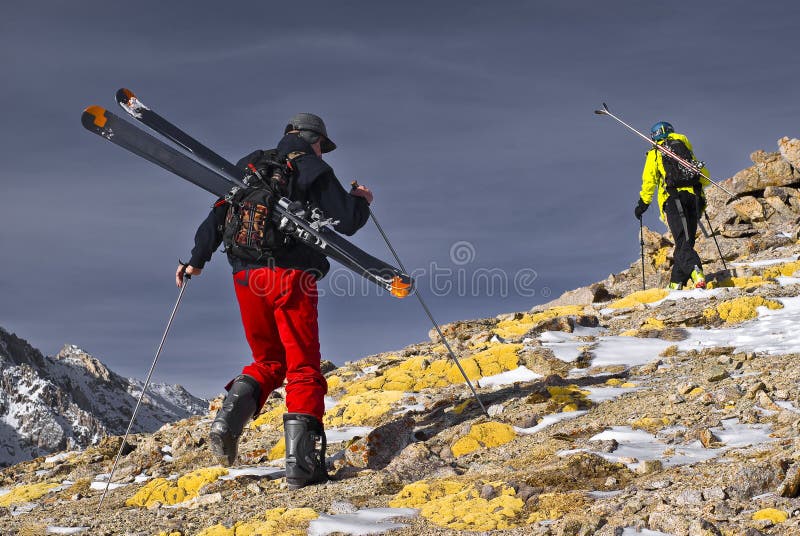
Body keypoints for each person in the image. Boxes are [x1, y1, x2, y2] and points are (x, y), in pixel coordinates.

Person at [175, 113, 373, 489]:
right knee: (303, 367)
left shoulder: (251, 165)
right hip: (290, 276)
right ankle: (302, 466)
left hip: (245, 277)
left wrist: (196, 261)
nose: (322, 151)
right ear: (314, 140)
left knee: (267, 360)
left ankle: (228, 421)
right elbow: (346, 221)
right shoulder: (314, 168)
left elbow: (218, 213)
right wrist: (361, 201)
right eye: (322, 145)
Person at [635, 121, 710, 290]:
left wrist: (643, 204)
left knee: (682, 242)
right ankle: (675, 284)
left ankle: (695, 270)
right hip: (695, 199)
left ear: (655, 136)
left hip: (674, 200)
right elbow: (704, 176)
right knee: (685, 243)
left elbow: (649, 181)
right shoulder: (683, 148)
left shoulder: (656, 153)